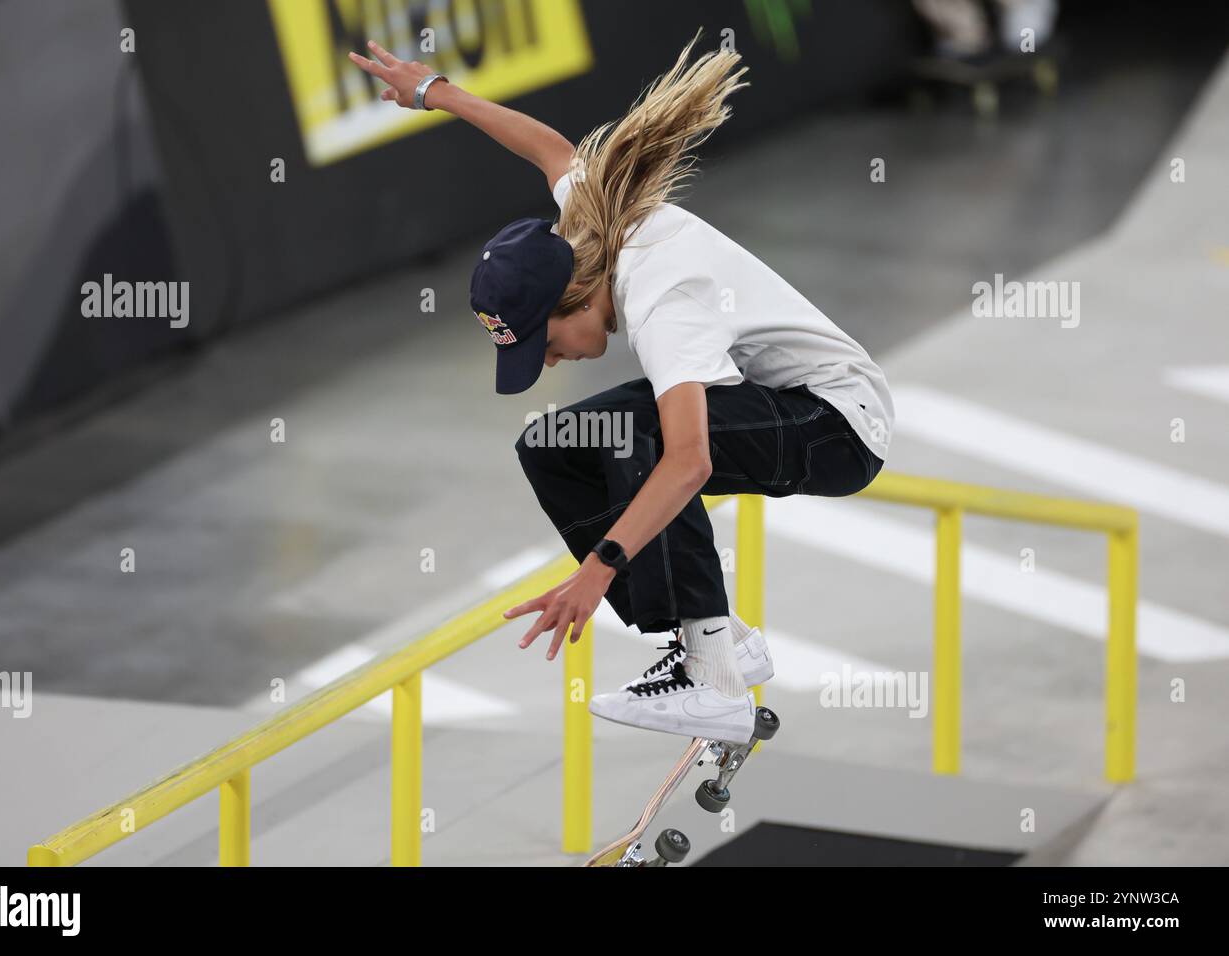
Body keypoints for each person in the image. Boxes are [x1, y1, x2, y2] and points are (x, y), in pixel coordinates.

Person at [350, 30, 893, 745]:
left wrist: (599, 570)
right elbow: (548, 148)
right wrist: (434, 93)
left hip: (839, 429)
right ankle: (716, 636)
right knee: (552, 442)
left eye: (544, 346)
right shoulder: (581, 232)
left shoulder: (662, 297)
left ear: (568, 301)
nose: (549, 363)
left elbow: (691, 461)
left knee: (643, 438)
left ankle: (710, 675)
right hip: (784, 406)